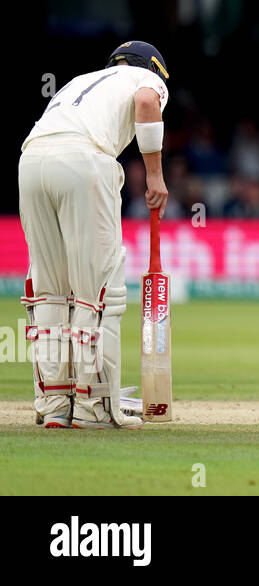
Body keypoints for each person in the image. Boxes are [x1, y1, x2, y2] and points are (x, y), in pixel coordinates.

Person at [19, 41, 171, 429]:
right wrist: (155, 175)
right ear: (153, 67)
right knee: (99, 291)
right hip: (83, 160)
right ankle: (93, 406)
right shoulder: (145, 79)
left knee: (49, 290)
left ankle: (54, 401)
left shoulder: (80, 81)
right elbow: (146, 103)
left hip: (31, 161)